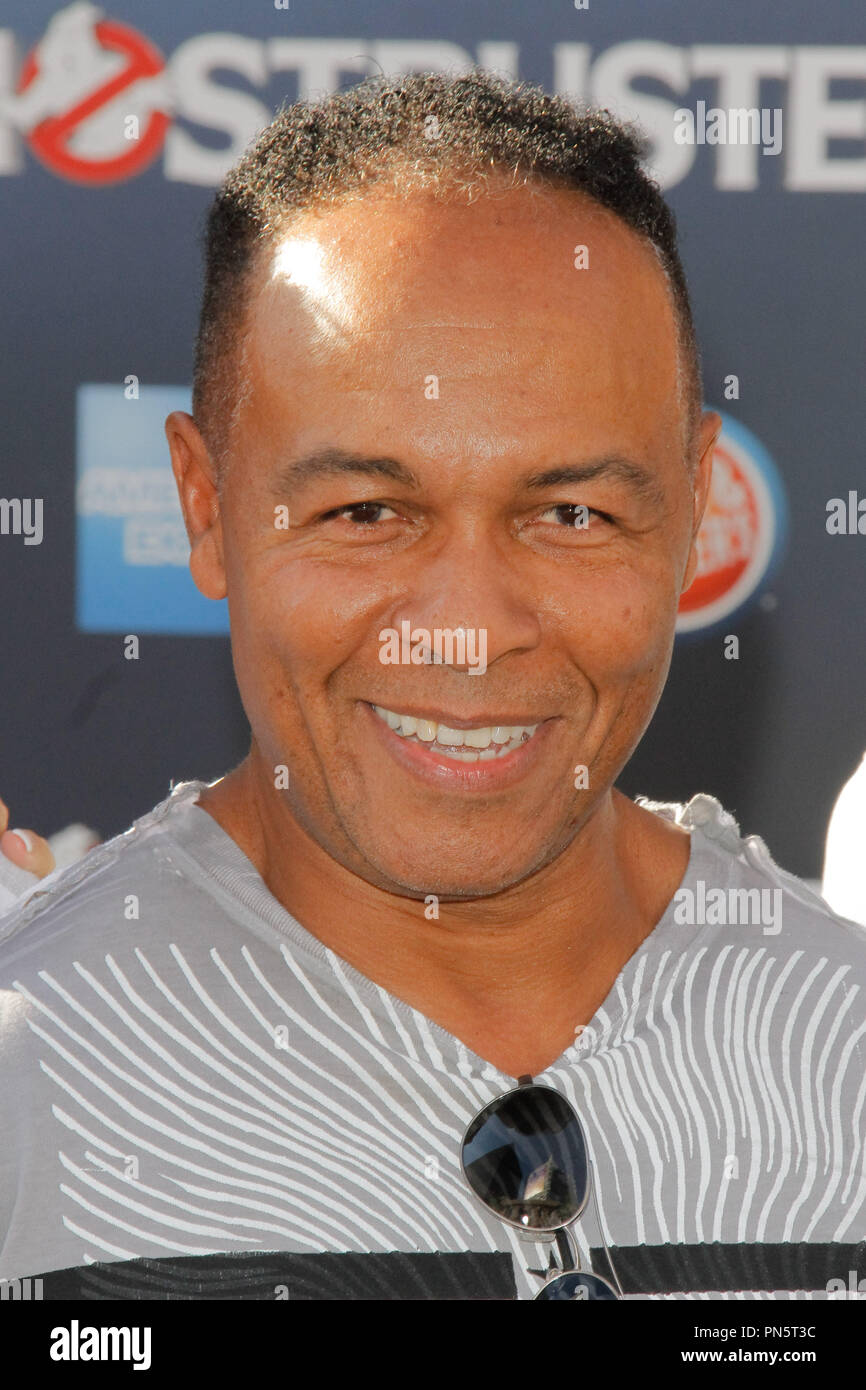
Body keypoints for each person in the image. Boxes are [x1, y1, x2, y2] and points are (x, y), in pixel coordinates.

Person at [1, 72, 864, 1303]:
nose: (464, 633)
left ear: (687, 509)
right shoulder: (28, 1079)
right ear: (206, 508)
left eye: (570, 512)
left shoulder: (841, 1045)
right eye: (366, 512)